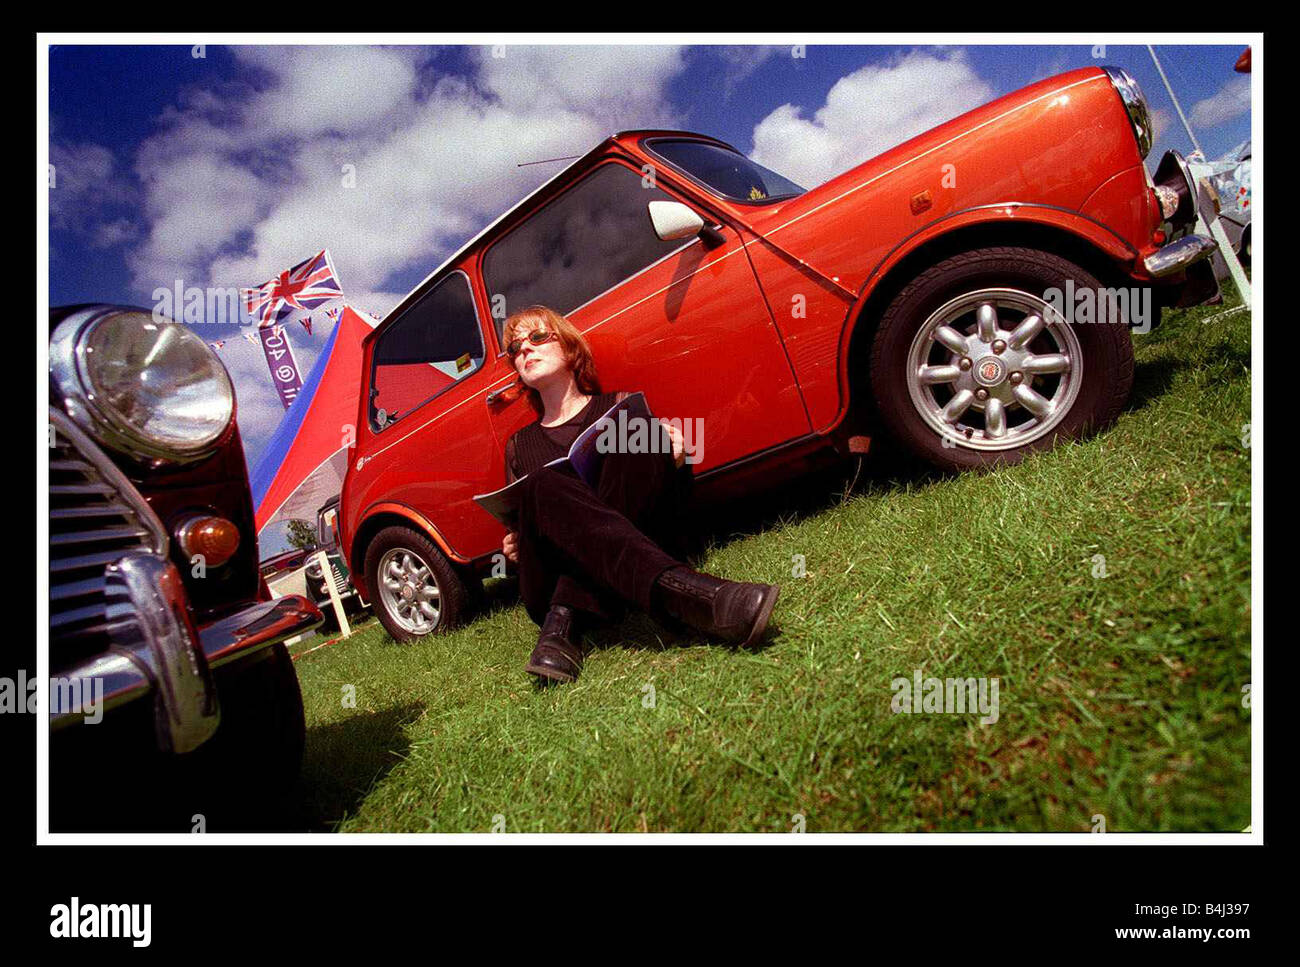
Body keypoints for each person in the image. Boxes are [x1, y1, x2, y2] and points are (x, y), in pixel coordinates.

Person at [498, 305, 780, 685]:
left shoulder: (620, 408)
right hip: (549, 581)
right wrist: (517, 545)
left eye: (536, 338)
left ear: (569, 348)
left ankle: (562, 627)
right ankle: (692, 597)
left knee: (635, 434)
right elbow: (525, 536)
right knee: (542, 484)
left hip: (642, 543)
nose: (524, 351)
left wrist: (676, 462)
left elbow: (670, 504)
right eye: (515, 348)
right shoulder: (518, 446)